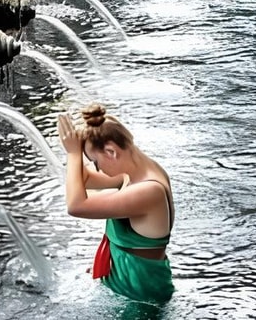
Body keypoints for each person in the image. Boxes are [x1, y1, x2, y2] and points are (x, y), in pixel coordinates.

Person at [57, 103, 175, 304]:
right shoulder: (135, 173)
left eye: (95, 161)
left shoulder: (149, 190)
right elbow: (84, 179)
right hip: (125, 284)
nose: (97, 168)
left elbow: (76, 205)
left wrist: (74, 154)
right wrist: (73, 144)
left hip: (140, 297)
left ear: (111, 152)